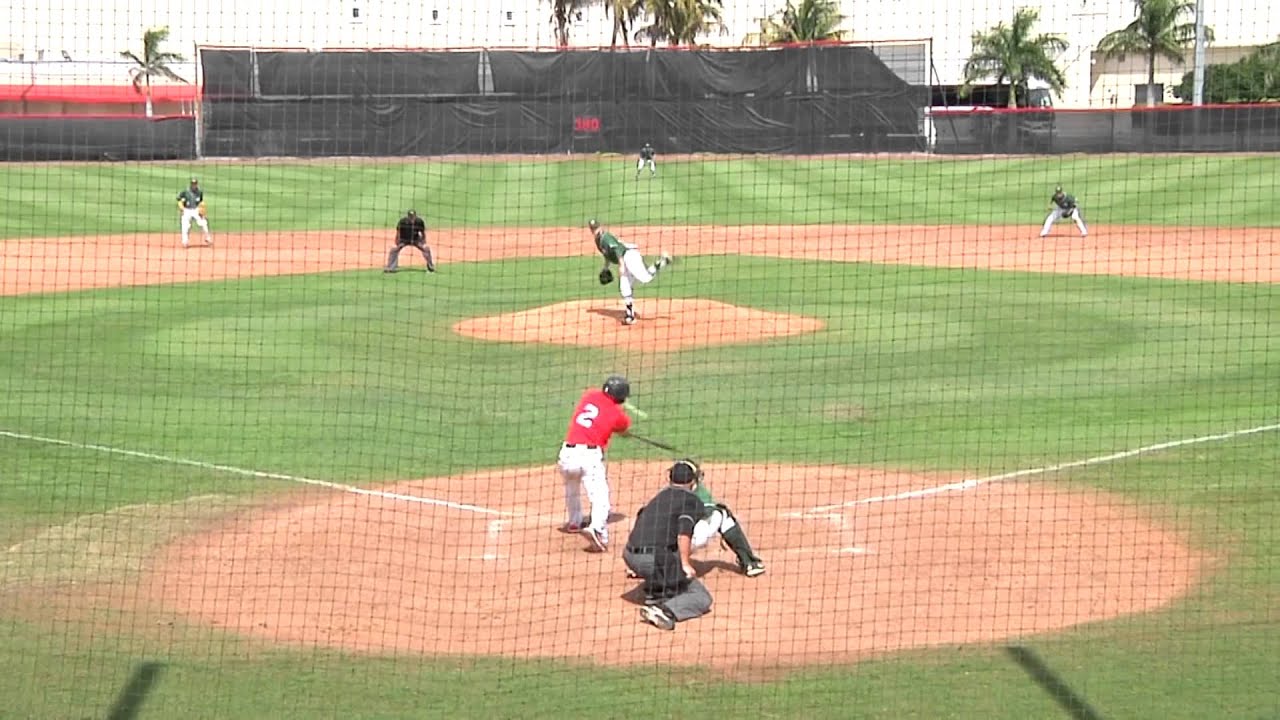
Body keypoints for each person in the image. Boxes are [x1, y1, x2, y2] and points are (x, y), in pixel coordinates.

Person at [624, 460, 716, 631]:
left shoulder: (659, 496)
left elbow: (641, 516)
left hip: (629, 555)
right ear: (693, 482)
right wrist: (685, 564)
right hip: (652, 560)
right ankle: (663, 611)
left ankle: (655, 590)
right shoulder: (691, 500)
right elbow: (684, 532)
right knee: (701, 597)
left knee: (668, 551)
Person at [557, 375, 634, 552]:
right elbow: (622, 427)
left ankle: (575, 522)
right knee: (600, 497)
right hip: (588, 456)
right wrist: (624, 432)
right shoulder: (617, 414)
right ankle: (598, 530)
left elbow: (596, 419)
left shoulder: (589, 396)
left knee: (572, 487)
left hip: (566, 454)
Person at [589, 218, 672, 326]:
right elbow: (608, 255)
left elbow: (618, 250)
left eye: (596, 227)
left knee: (645, 278)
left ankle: (663, 261)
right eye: (593, 228)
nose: (595, 230)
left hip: (629, 256)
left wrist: (622, 266)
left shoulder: (606, 237)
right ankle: (630, 316)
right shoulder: (598, 241)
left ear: (600, 227)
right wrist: (605, 268)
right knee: (624, 287)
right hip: (625, 258)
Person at [175, 177, 212, 248]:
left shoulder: (199, 192)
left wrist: (202, 210)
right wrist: (182, 208)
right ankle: (185, 242)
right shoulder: (185, 192)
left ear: (197, 184)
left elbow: (201, 202)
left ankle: (208, 238)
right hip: (187, 210)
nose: (194, 185)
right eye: (192, 184)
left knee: (203, 223)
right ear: (191, 184)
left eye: (195, 184)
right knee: (185, 226)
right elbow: (179, 199)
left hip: (196, 210)